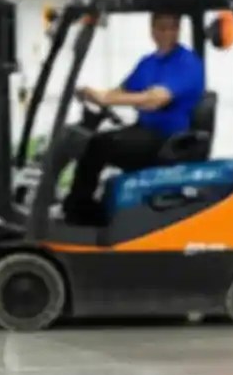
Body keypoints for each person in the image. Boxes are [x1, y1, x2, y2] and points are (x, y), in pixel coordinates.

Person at [64, 12, 205, 221]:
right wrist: (92, 93)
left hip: (168, 138)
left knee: (98, 145)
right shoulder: (147, 63)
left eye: (172, 28)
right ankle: (80, 206)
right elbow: (119, 92)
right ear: (152, 30)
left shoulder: (187, 63)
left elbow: (155, 99)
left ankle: (79, 211)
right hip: (144, 130)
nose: (167, 33)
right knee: (89, 141)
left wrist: (105, 99)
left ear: (178, 30)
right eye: (161, 27)